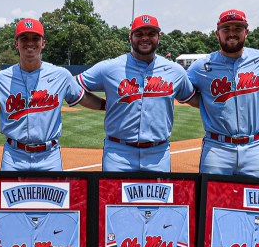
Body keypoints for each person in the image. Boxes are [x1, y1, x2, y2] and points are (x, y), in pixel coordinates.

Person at [0, 17, 99, 171]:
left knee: (53, 195)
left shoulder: (61, 75)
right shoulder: (2, 78)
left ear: (43, 43)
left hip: (49, 157)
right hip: (14, 157)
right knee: (7, 195)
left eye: (35, 38)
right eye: (24, 38)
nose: (30, 43)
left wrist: (109, 105)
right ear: (16, 44)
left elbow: (83, 98)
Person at [186, 9, 259, 177]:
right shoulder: (201, 66)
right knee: (211, 200)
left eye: (237, 28)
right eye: (226, 29)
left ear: (246, 32)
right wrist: (206, 104)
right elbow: (183, 90)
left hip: (253, 148)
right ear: (218, 34)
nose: (232, 33)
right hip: (217, 148)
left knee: (251, 201)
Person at [77, 14, 195, 172]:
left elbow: (194, 98)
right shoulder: (110, 68)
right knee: (113, 197)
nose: (145, 38)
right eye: (139, 34)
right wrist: (101, 105)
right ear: (130, 37)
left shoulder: (175, 71)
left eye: (151, 34)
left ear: (159, 37)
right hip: (118, 153)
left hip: (158, 153)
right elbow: (71, 86)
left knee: (157, 197)